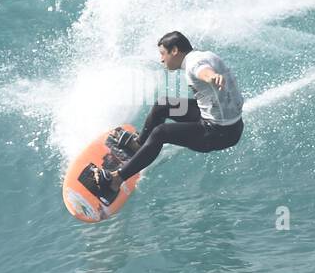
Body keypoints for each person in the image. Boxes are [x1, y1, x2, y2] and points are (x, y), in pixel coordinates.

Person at [92, 31, 244, 203]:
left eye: (162, 53)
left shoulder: (195, 64)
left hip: (220, 133)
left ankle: (116, 181)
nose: (161, 60)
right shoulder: (201, 55)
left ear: (175, 51)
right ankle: (139, 145)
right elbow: (203, 67)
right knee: (163, 105)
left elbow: (204, 71)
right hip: (216, 118)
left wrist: (211, 77)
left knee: (161, 133)